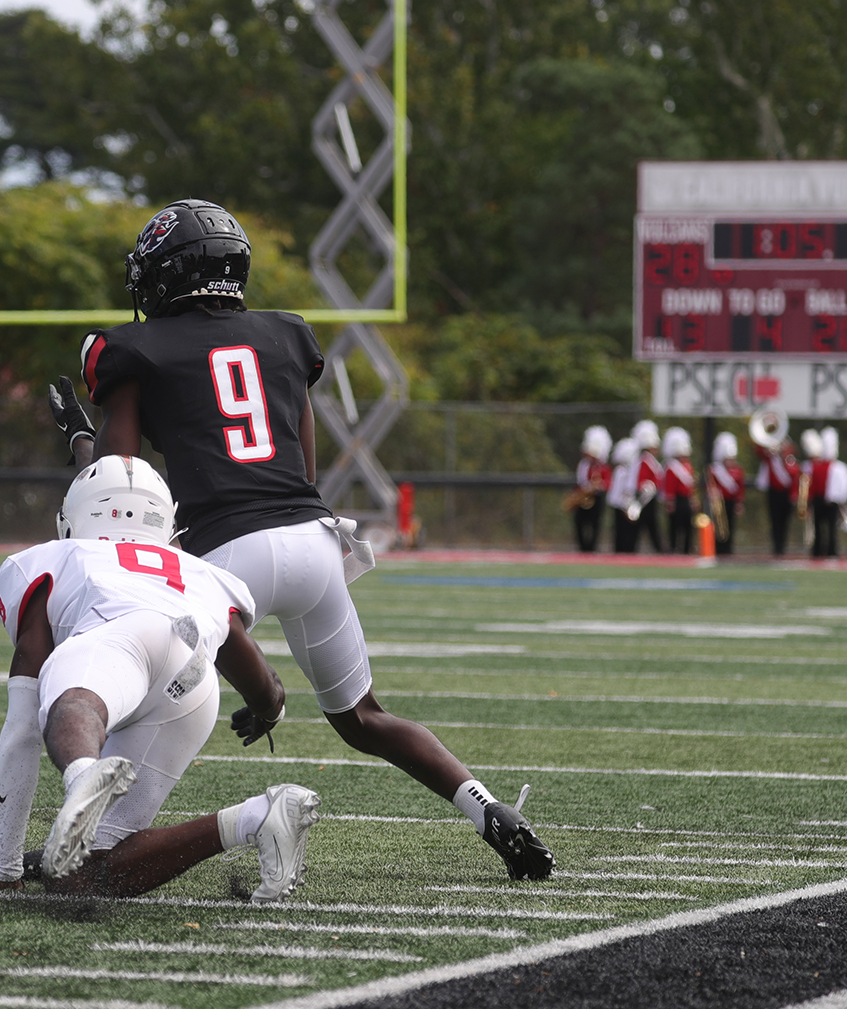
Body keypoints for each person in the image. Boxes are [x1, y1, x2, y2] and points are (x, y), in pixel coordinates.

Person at [45, 199, 552, 881]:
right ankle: (490, 810)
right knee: (365, 717)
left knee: (139, 681)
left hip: (220, 554)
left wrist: (78, 436)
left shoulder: (133, 350)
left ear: (167, 274)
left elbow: (118, 491)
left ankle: (104, 828)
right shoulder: (285, 335)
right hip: (315, 542)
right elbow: (304, 472)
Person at [0, 457, 320, 900]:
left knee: (74, 694)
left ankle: (84, 775)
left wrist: (5, 869)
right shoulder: (203, 573)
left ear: (72, 520)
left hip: (120, 635)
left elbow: (24, 727)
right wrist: (267, 712)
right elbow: (267, 686)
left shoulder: (53, 558)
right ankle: (256, 818)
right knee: (82, 877)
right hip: (192, 679)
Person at [753, 432, 800, 556]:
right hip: (773, 493)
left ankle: (783, 546)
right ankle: (776, 547)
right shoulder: (770, 458)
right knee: (775, 521)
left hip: (786, 494)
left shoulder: (789, 460)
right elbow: (758, 451)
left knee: (785, 521)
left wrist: (794, 496)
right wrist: (767, 444)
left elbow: (794, 476)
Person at [811, 428, 847, 558]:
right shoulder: (815, 465)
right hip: (818, 499)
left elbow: (845, 485)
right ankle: (817, 551)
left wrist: (840, 499)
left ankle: (832, 551)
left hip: (833, 502)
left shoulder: (840, 467)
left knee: (831, 528)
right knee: (817, 527)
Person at [571, 425, 611, 553]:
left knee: (595, 524)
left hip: (596, 497)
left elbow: (608, 483)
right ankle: (582, 547)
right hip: (583, 497)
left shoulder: (603, 467)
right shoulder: (583, 465)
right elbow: (580, 481)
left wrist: (598, 486)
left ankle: (592, 547)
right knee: (579, 523)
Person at [707, 432, 746, 556]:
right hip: (719, 502)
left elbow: (739, 488)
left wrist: (739, 503)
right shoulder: (715, 470)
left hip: (731, 502)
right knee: (718, 526)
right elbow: (711, 485)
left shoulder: (738, 470)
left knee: (730, 526)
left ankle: (728, 549)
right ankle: (718, 549)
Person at [630, 419, 666, 553]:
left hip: (650, 497)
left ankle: (657, 548)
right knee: (645, 524)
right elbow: (642, 480)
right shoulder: (645, 460)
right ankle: (656, 549)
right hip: (644, 498)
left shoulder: (649, 460)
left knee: (650, 525)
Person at [661, 426, 696, 554]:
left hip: (686, 499)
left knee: (688, 525)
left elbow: (691, 485)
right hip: (677, 499)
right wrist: (670, 502)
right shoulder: (671, 467)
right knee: (675, 525)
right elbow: (669, 486)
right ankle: (673, 547)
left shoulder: (688, 466)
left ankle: (687, 548)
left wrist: (693, 499)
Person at [607, 437, 641, 554]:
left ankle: (628, 551)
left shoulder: (629, 470)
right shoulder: (621, 471)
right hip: (622, 506)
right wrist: (624, 506)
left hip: (627, 505)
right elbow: (620, 491)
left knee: (629, 532)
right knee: (621, 531)